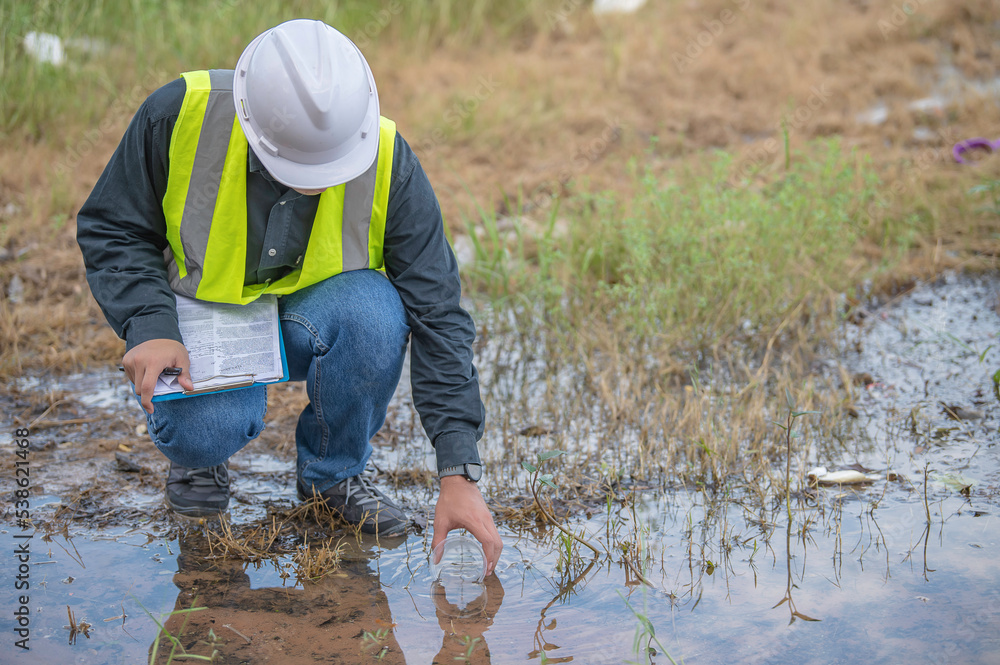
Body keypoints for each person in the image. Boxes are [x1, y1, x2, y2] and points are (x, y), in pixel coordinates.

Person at [76, 19, 502, 574]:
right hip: (201, 327)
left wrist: (458, 472)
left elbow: (438, 311)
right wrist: (150, 325)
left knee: (377, 310)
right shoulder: (180, 114)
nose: (314, 183)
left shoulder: (388, 158)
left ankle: (334, 475)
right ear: (251, 123)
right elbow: (114, 227)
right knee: (204, 431)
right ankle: (200, 463)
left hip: (312, 318)